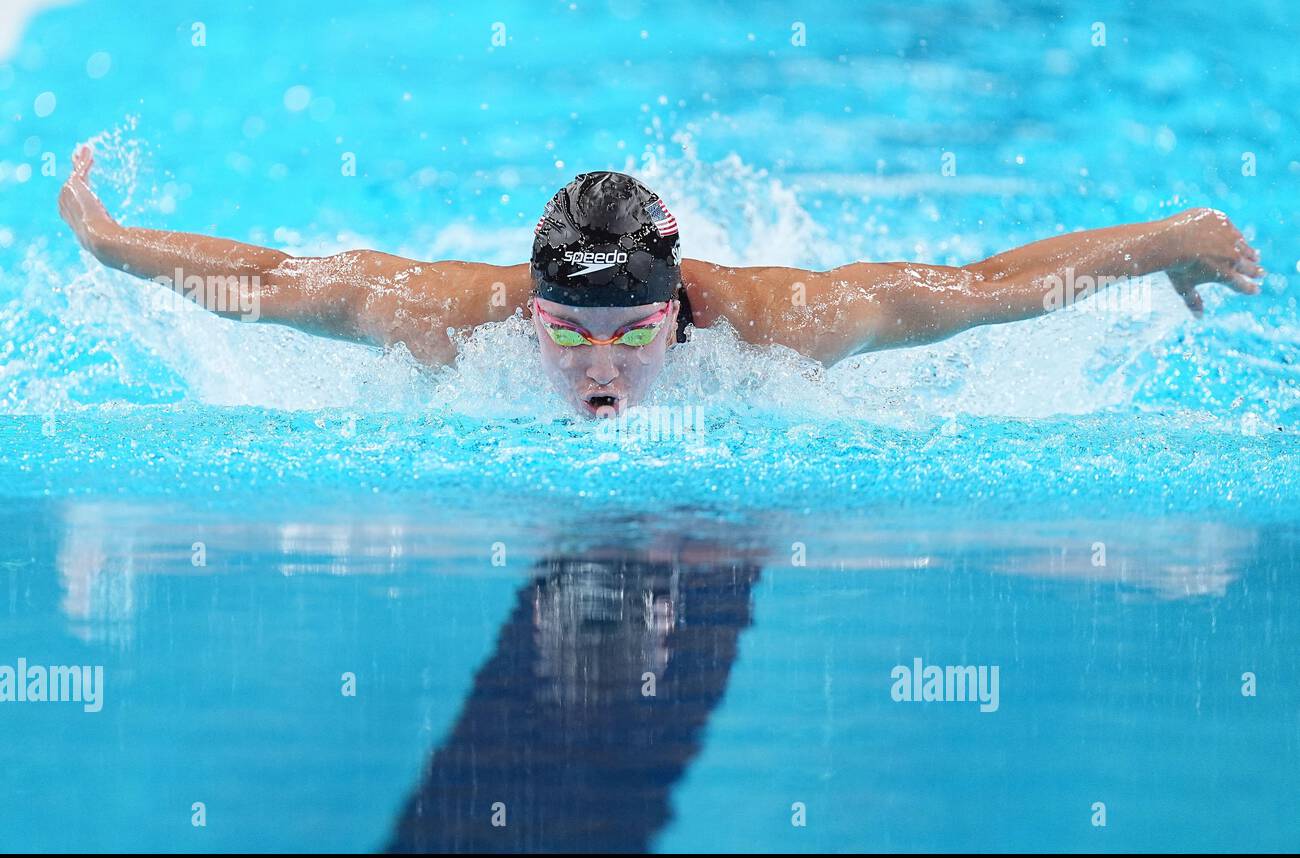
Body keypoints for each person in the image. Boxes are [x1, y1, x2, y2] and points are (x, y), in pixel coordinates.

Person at [58, 145, 1264, 418]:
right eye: (565, 332)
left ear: (676, 310)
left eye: (630, 333)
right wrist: (115, 244)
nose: (596, 365)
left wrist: (1171, 237)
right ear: (529, 307)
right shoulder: (439, 317)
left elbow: (985, 282)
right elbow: (272, 279)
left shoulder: (791, 325)